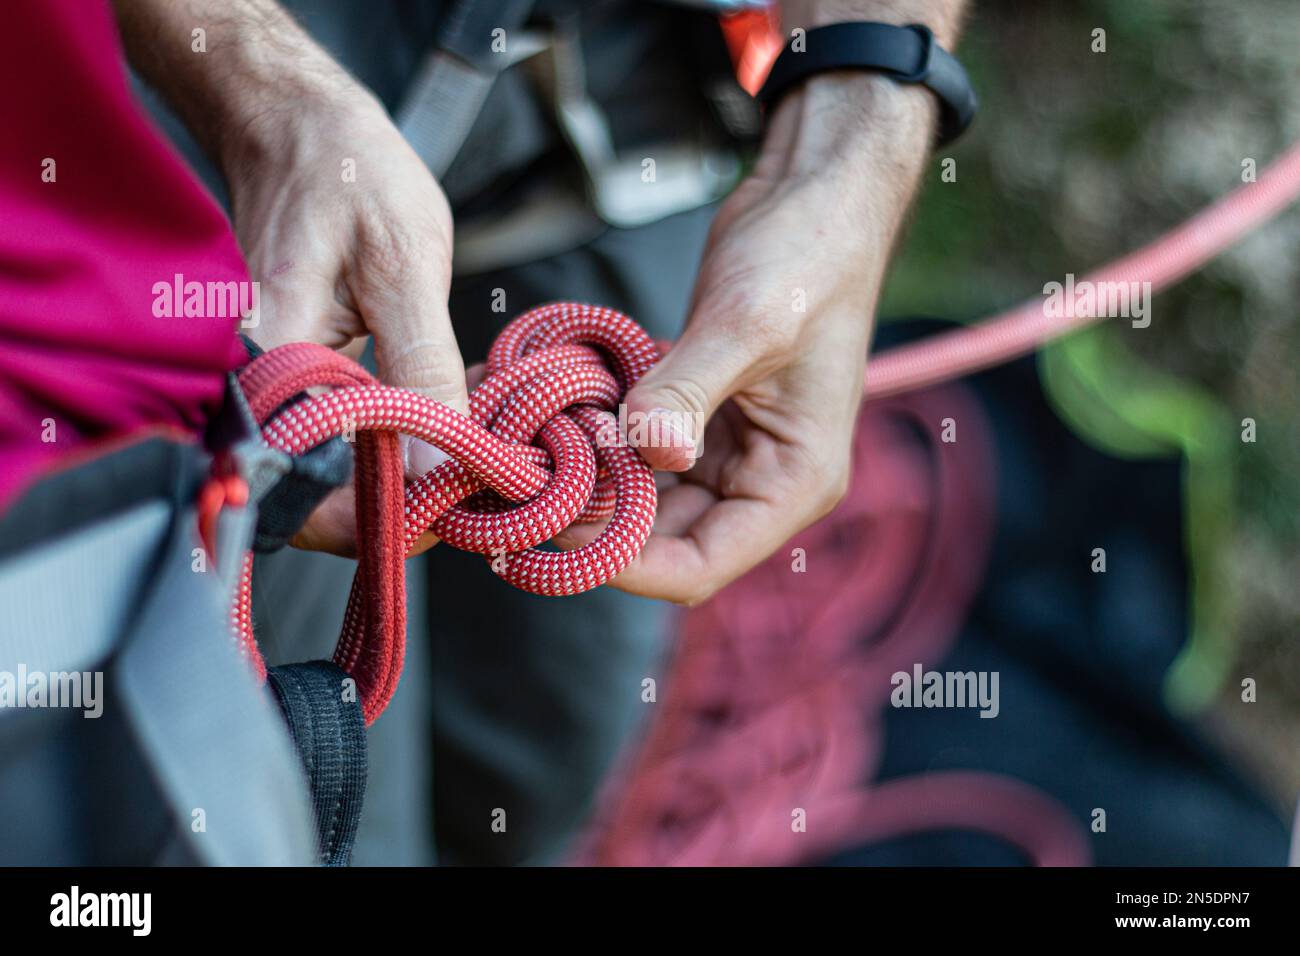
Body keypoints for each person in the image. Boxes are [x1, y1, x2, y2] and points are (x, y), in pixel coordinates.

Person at [110, 0, 966, 864]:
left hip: (638, 119)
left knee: (542, 778)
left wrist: (845, 147)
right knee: (305, 789)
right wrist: (255, 85)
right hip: (189, 95)